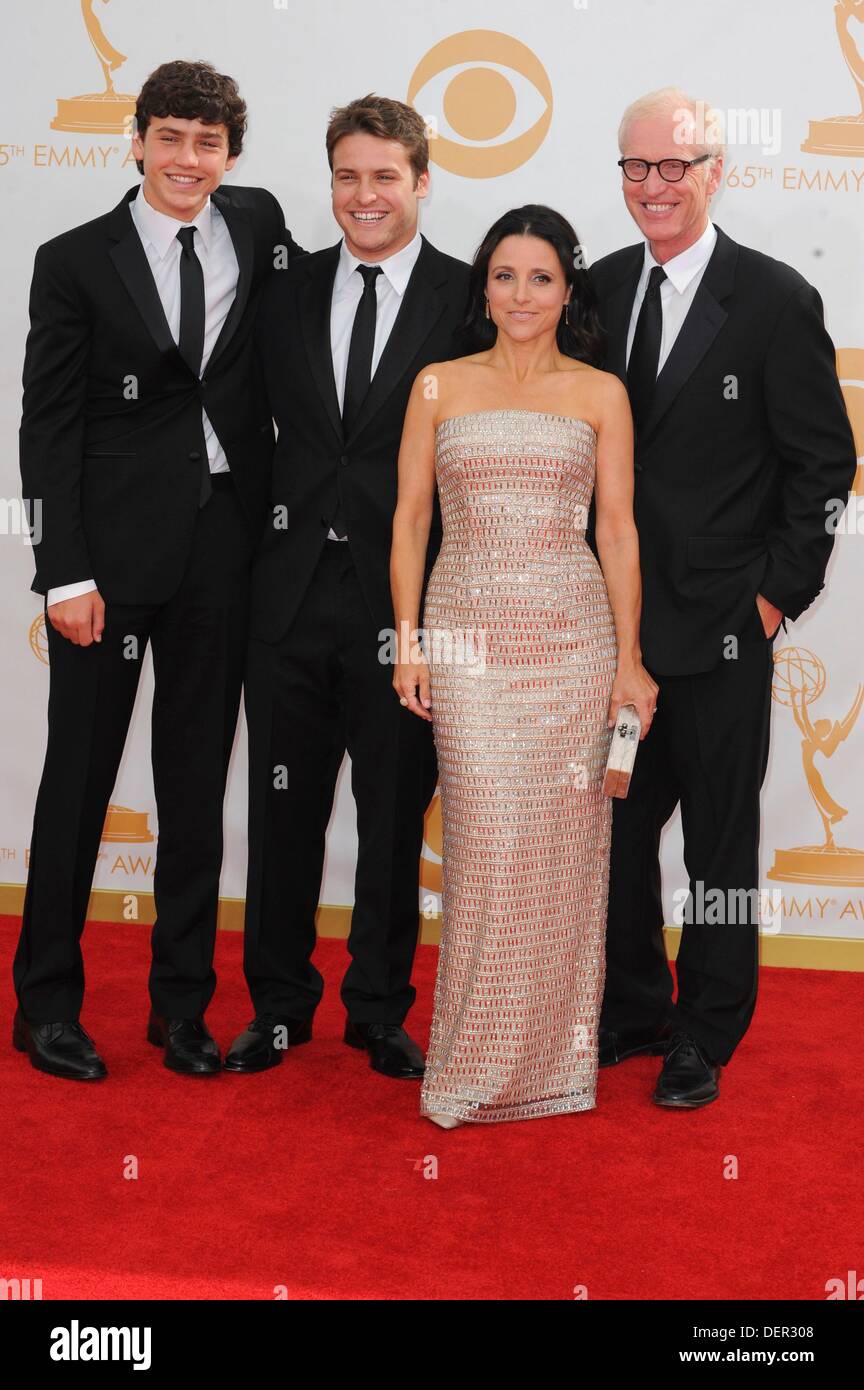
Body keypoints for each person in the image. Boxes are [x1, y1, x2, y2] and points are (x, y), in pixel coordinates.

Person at [14, 60, 304, 1080]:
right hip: (106, 560)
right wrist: (62, 572)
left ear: (231, 153)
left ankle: (179, 1008)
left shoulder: (259, 226)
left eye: (209, 142)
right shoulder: (74, 259)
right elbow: (45, 427)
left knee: (194, 788)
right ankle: (45, 1003)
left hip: (226, 549)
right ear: (136, 141)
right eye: (172, 138)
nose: (190, 159)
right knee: (77, 785)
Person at [589, 88, 857, 1107]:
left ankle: (707, 1030)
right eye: (636, 168)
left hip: (725, 634)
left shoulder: (774, 299)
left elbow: (823, 464)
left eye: (675, 166)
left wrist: (774, 600)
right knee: (612, 834)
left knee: (720, 846)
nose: (654, 187)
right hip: (614, 632)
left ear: (715, 171)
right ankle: (632, 1007)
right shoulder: (598, 290)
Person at [391, 205, 657, 1127]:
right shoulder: (438, 384)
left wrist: (629, 660)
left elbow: (617, 530)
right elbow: (411, 522)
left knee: (562, 859)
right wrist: (409, 638)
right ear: (483, 288)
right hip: (466, 641)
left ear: (568, 290)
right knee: (487, 848)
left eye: (540, 277)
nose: (521, 295)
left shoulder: (600, 394)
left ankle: (550, 1066)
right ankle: (469, 1062)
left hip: (572, 645)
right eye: (504, 276)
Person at [226, 96, 471, 1079]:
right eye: (346, 176)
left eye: (383, 176)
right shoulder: (282, 287)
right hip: (285, 598)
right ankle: (279, 1007)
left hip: (406, 606)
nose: (363, 196)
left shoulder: (469, 296)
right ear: (329, 182)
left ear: (421, 180)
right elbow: (244, 433)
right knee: (282, 813)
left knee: (390, 813)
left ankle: (377, 1009)